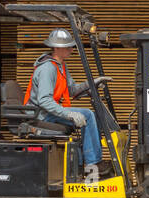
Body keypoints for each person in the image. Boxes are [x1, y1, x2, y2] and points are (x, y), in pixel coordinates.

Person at [23, 28, 109, 170]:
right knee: (87, 114)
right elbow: (44, 100)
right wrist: (68, 113)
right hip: (41, 115)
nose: (71, 49)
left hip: (47, 112)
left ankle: (86, 160)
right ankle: (93, 163)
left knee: (92, 115)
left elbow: (72, 90)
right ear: (57, 48)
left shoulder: (61, 66)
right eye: (68, 47)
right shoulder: (47, 69)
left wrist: (92, 83)